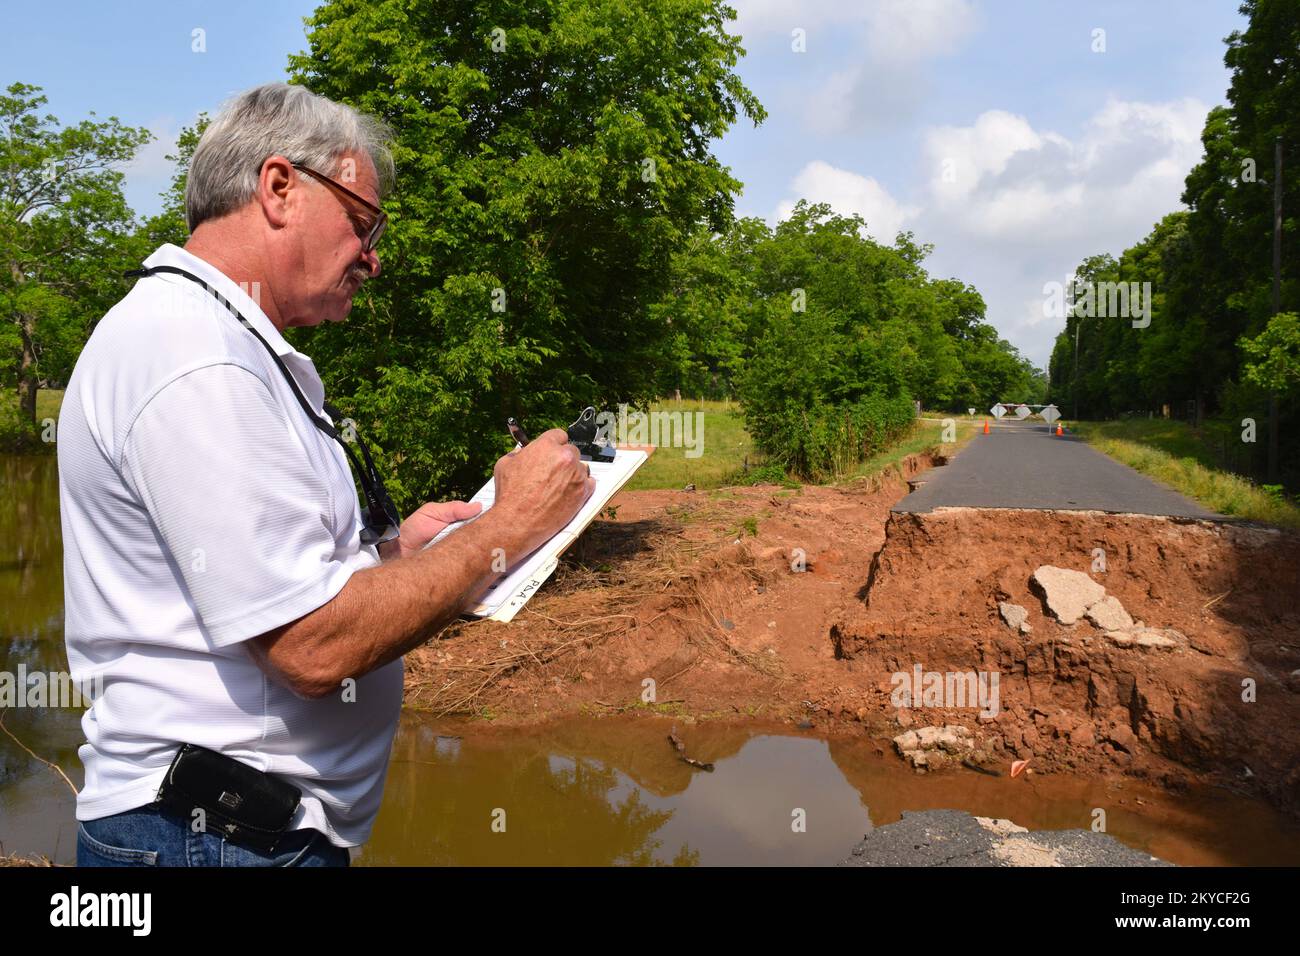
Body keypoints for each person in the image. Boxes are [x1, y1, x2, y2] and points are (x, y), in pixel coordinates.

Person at [58, 82, 593, 867]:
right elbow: (311, 648)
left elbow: (271, 583)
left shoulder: (222, 340)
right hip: (210, 840)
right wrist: (510, 530)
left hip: (227, 836)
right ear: (280, 188)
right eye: (362, 221)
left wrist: (399, 555)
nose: (372, 259)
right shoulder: (193, 354)